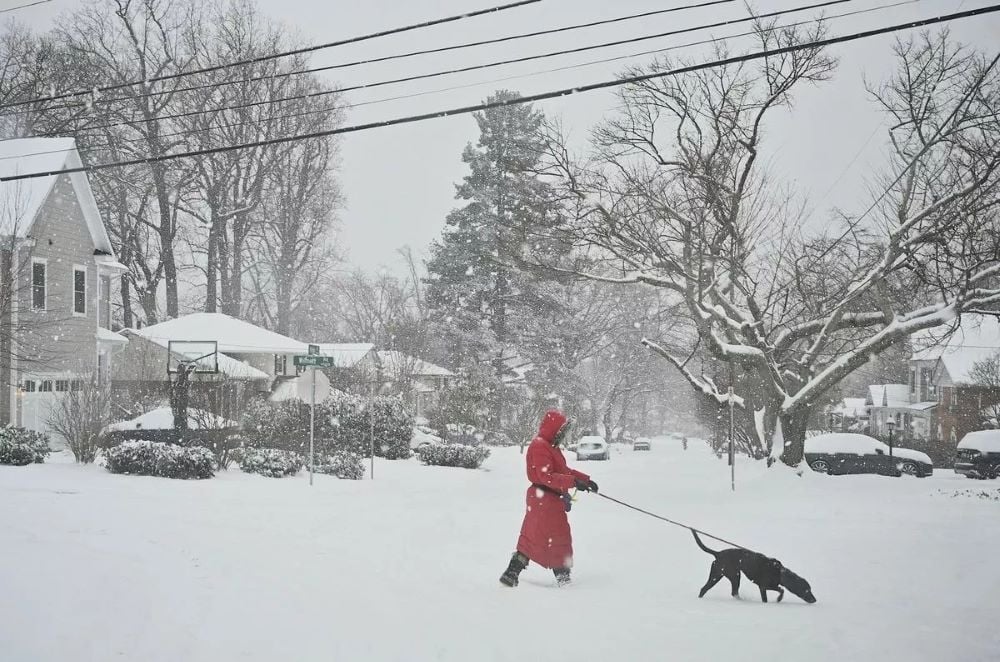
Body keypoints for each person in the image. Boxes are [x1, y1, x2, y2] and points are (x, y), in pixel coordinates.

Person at [499, 409, 599, 587]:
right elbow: (546, 476)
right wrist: (574, 482)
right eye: (561, 431)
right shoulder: (539, 446)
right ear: (554, 428)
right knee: (556, 538)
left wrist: (585, 480)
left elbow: (564, 471)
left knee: (535, 537)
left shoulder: (550, 447)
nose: (563, 435)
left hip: (547, 500)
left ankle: (511, 574)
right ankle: (562, 577)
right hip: (543, 500)